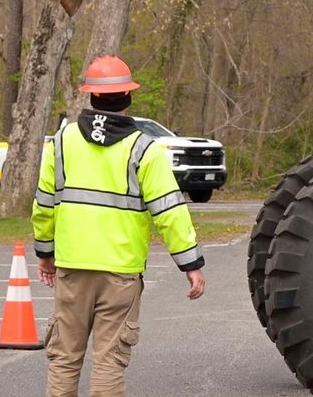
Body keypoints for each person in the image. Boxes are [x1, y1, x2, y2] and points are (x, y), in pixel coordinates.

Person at [32, 54, 206, 397]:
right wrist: (191, 264)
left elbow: (43, 205)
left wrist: (45, 254)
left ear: (91, 97)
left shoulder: (62, 143)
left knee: (65, 358)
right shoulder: (145, 149)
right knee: (109, 361)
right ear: (128, 98)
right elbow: (170, 212)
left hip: (72, 268)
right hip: (120, 274)